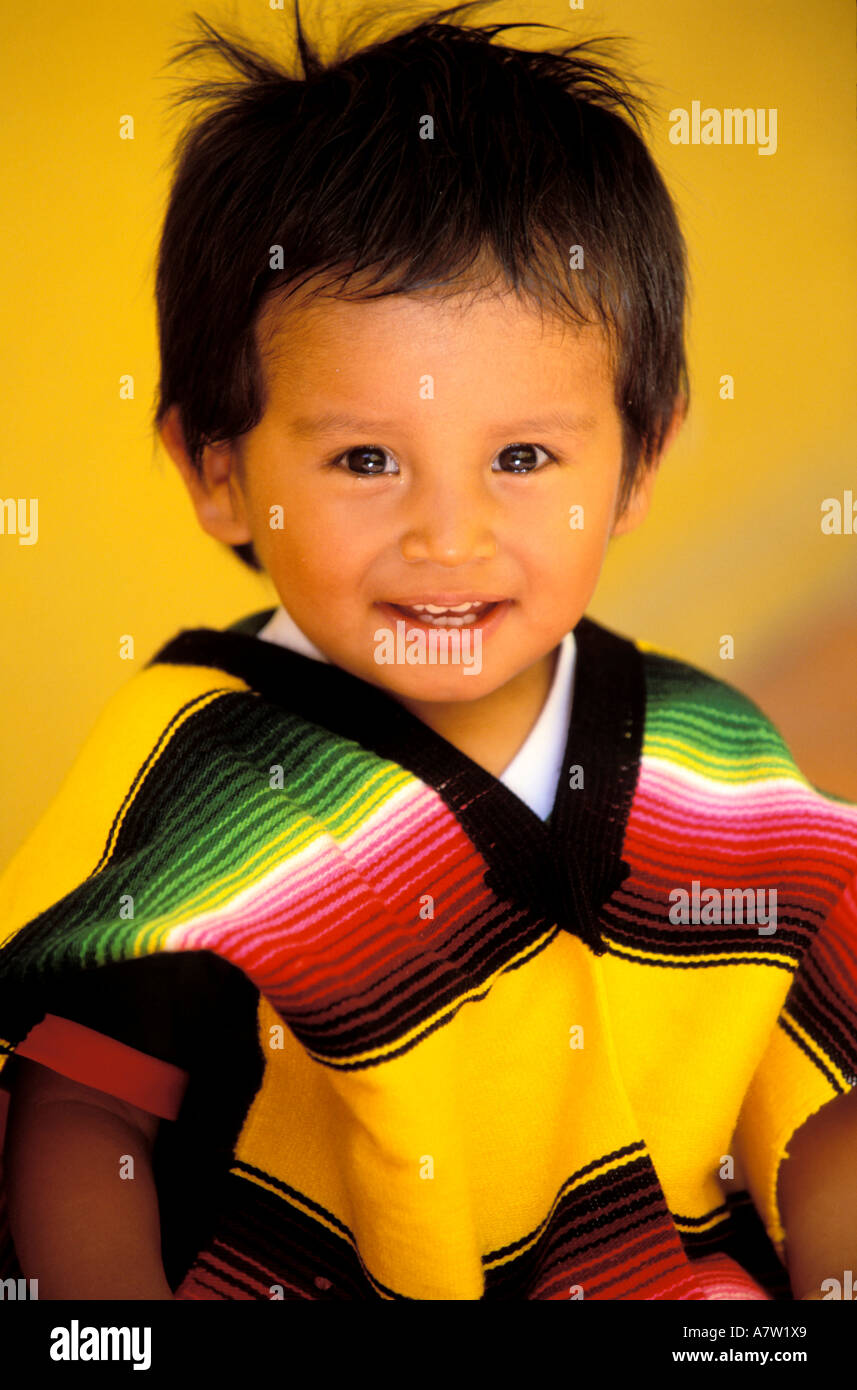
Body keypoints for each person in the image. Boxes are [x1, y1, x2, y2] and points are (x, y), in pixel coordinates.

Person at [0, 3, 855, 1302]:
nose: (446, 536)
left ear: (636, 461)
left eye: (521, 458)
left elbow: (810, 1102)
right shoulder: (204, 772)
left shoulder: (710, 760)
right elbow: (84, 1117)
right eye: (363, 459)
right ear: (217, 470)